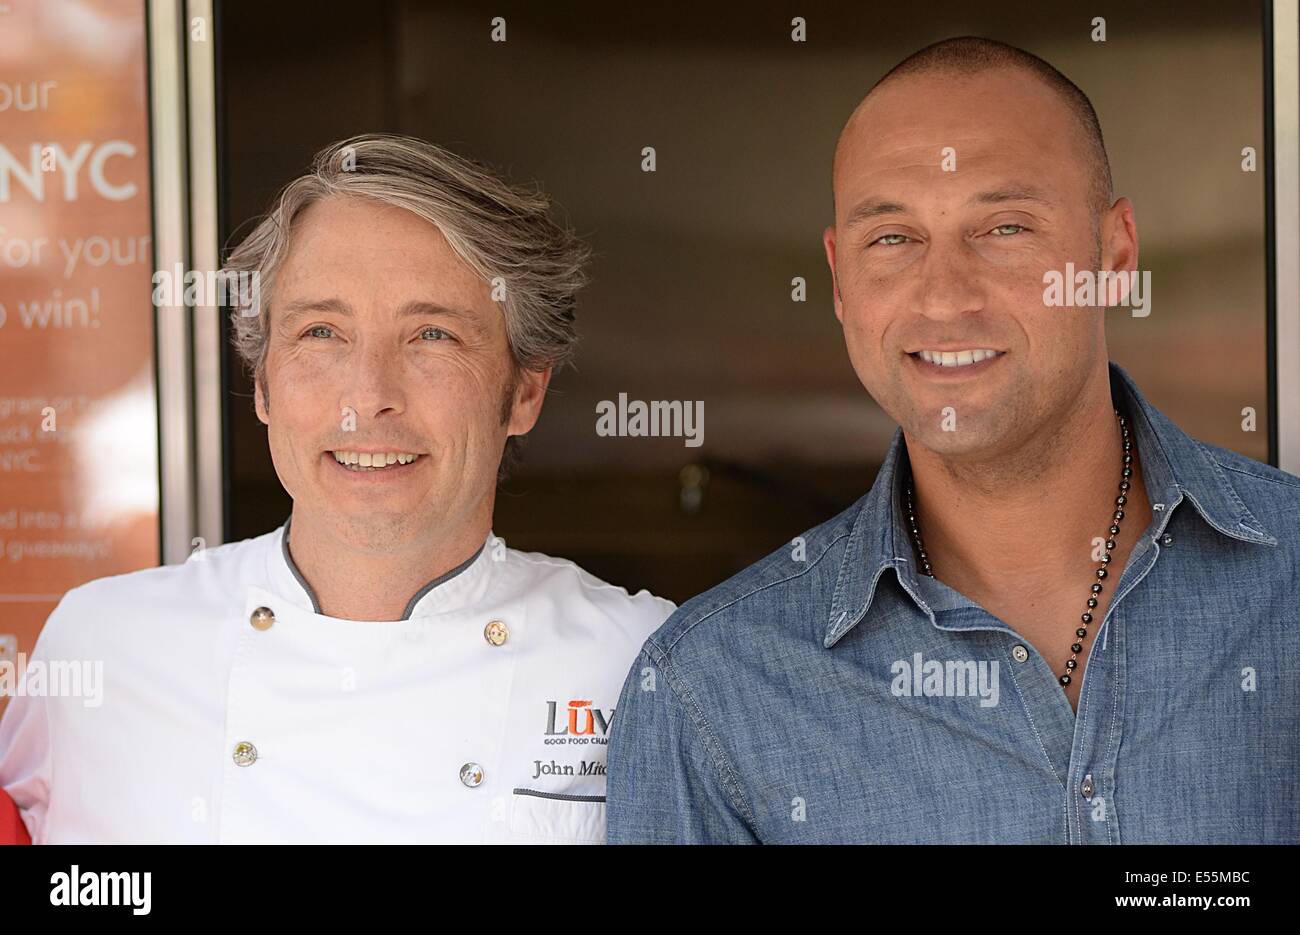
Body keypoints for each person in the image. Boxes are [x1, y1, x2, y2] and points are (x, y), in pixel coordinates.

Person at [606, 37, 1300, 843]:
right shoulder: (712, 692)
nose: (944, 297)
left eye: (1004, 227)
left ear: (1114, 255)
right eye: (892, 238)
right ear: (838, 280)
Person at [0, 134, 673, 843]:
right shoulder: (104, 649)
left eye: (432, 336)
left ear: (525, 392)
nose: (368, 396)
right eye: (321, 331)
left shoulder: (639, 661)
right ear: (261, 382)